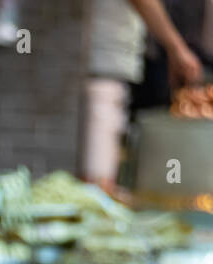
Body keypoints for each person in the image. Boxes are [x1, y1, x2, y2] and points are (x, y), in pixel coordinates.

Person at [84, 0, 203, 191]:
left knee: (99, 182)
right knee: (96, 185)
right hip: (102, 66)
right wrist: (177, 50)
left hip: (105, 66)